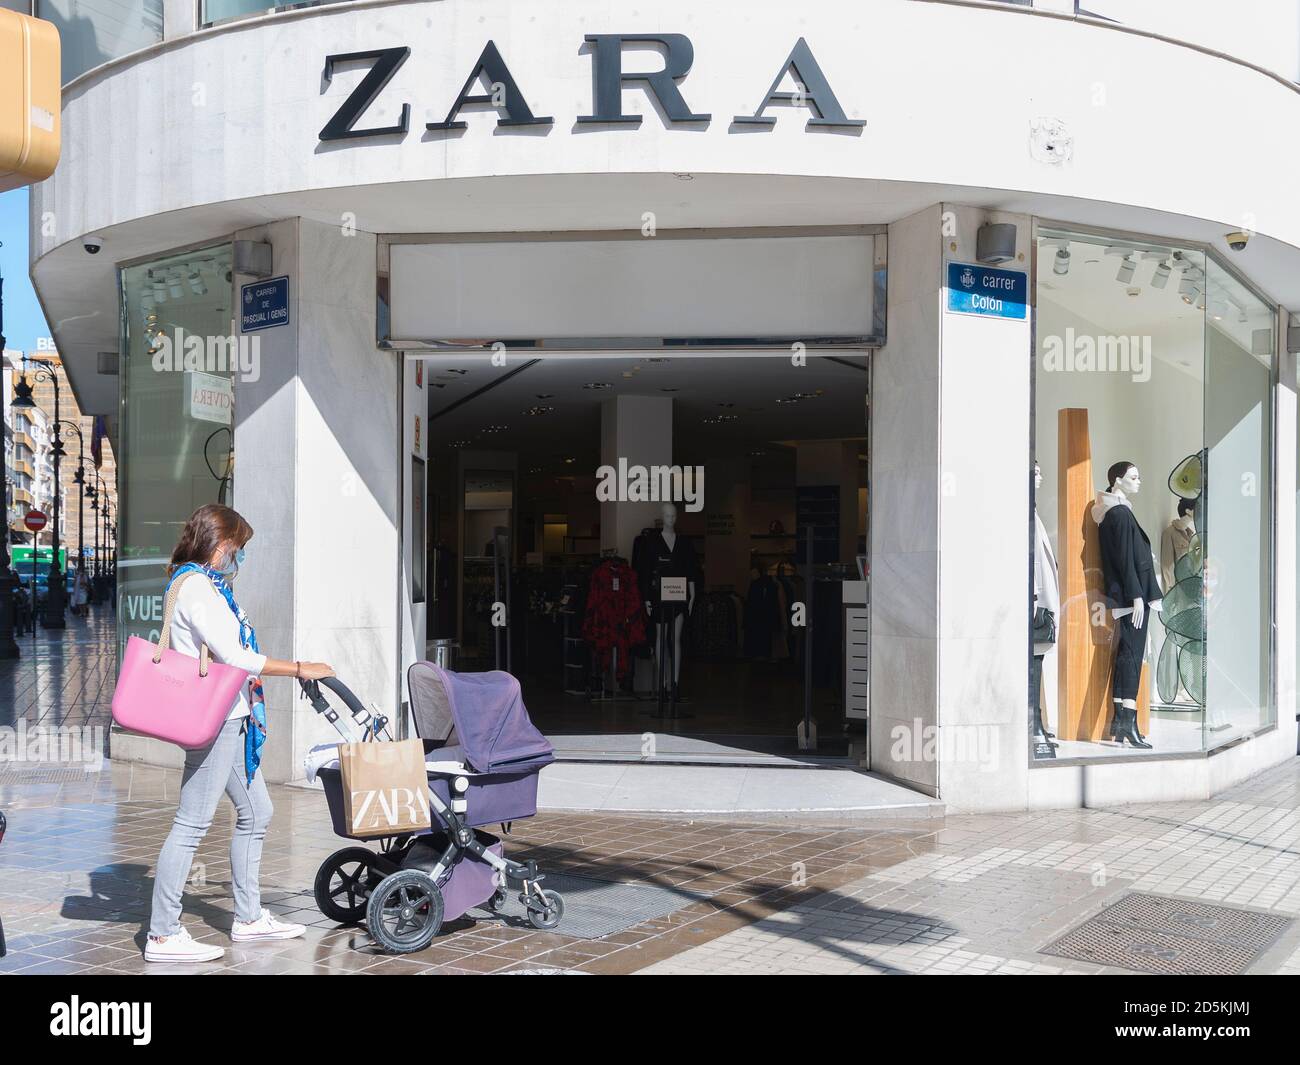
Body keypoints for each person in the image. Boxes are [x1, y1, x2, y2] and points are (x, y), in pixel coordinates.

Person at [145, 503, 336, 964]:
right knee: (191, 824)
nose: (240, 558)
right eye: (239, 548)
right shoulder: (198, 589)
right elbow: (234, 656)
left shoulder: (206, 585)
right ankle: (163, 934)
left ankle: (249, 919)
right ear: (222, 544)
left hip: (230, 716)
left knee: (258, 811)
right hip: (214, 719)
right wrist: (297, 668)